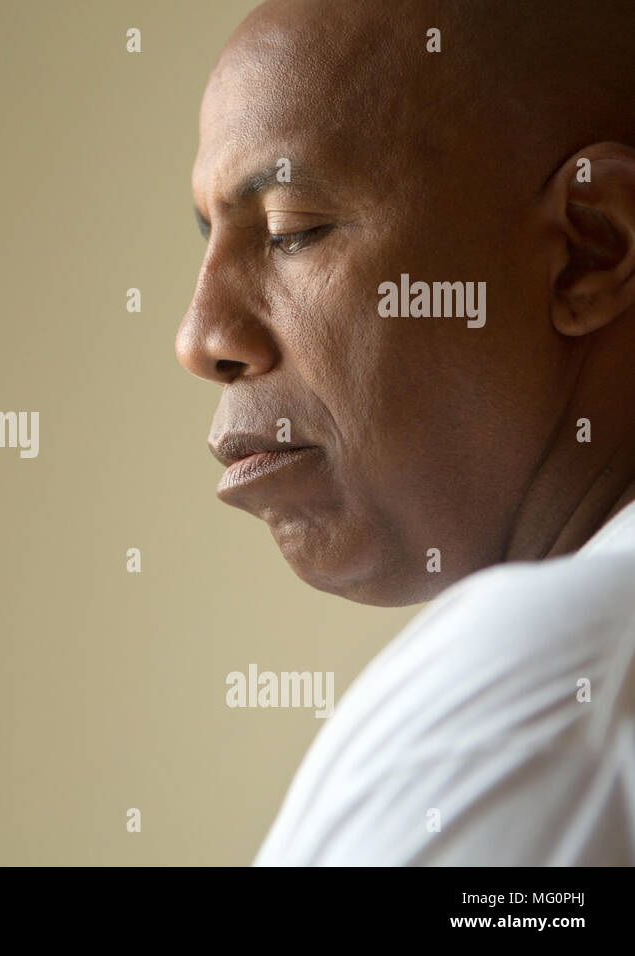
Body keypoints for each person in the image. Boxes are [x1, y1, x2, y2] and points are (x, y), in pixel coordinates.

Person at [175, 0, 635, 864]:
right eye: (207, 239)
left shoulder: (551, 683)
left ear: (591, 248)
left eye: (289, 230)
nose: (200, 338)